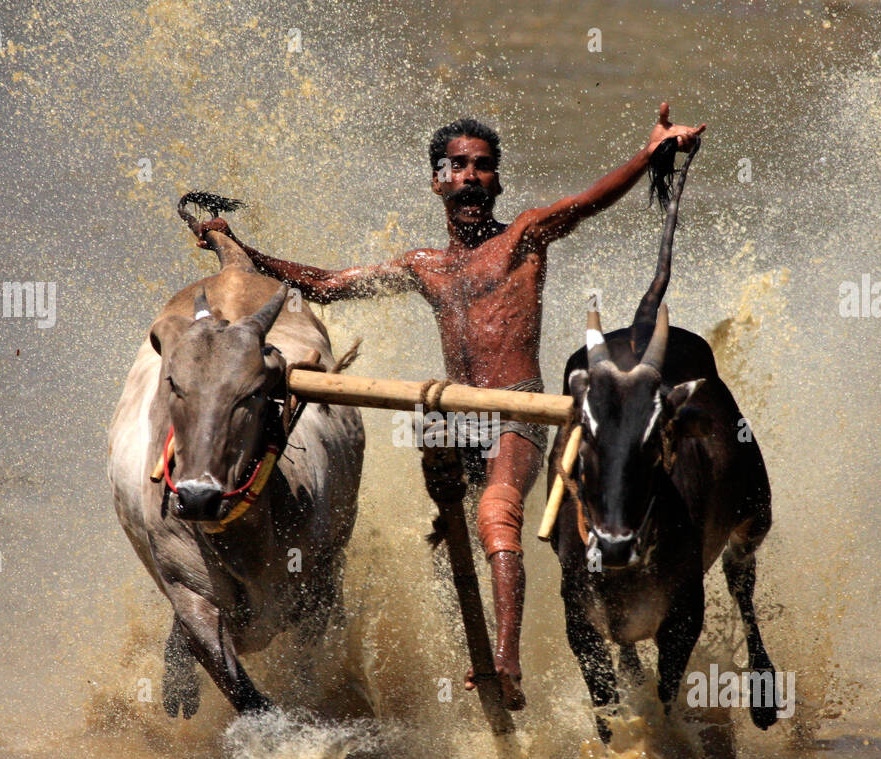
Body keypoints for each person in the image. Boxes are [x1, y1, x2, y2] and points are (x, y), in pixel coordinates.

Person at [194, 102, 705, 710]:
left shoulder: (524, 238)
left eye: (483, 168)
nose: (469, 177)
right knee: (446, 533)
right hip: (452, 416)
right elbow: (329, 286)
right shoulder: (424, 267)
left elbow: (589, 201)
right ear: (437, 180)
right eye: (456, 166)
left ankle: (506, 665)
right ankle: (456, 658)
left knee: (496, 511)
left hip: (515, 410)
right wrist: (242, 249)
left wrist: (650, 155)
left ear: (497, 182)